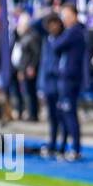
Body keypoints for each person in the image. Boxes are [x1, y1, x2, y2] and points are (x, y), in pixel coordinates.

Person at [51, 3, 87, 161]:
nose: (63, 20)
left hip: (71, 78)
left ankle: (75, 148)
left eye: (65, 16)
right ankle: (64, 146)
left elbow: (56, 45)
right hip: (65, 77)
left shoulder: (75, 32)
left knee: (69, 113)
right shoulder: (72, 32)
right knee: (63, 113)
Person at [37, 13, 64, 158]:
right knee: (52, 117)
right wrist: (41, 86)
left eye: (54, 23)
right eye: (49, 25)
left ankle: (63, 144)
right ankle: (52, 142)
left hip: (59, 83)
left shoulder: (63, 39)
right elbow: (43, 63)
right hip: (48, 84)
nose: (52, 27)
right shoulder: (47, 40)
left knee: (62, 116)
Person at [10, 13, 40, 122]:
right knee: (25, 91)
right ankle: (25, 111)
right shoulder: (21, 36)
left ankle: (33, 114)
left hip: (29, 69)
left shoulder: (32, 36)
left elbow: (35, 53)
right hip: (22, 68)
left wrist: (31, 66)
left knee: (30, 92)